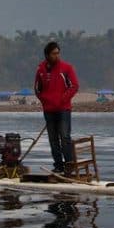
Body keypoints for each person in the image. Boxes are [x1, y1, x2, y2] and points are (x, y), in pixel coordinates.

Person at [34, 42, 79, 174]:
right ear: (47, 55)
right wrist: (45, 102)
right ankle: (58, 166)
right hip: (49, 111)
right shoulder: (40, 69)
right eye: (54, 53)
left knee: (65, 137)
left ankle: (69, 166)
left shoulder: (66, 68)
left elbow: (74, 86)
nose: (57, 56)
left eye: (58, 53)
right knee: (53, 140)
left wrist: (63, 100)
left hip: (63, 109)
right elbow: (37, 89)